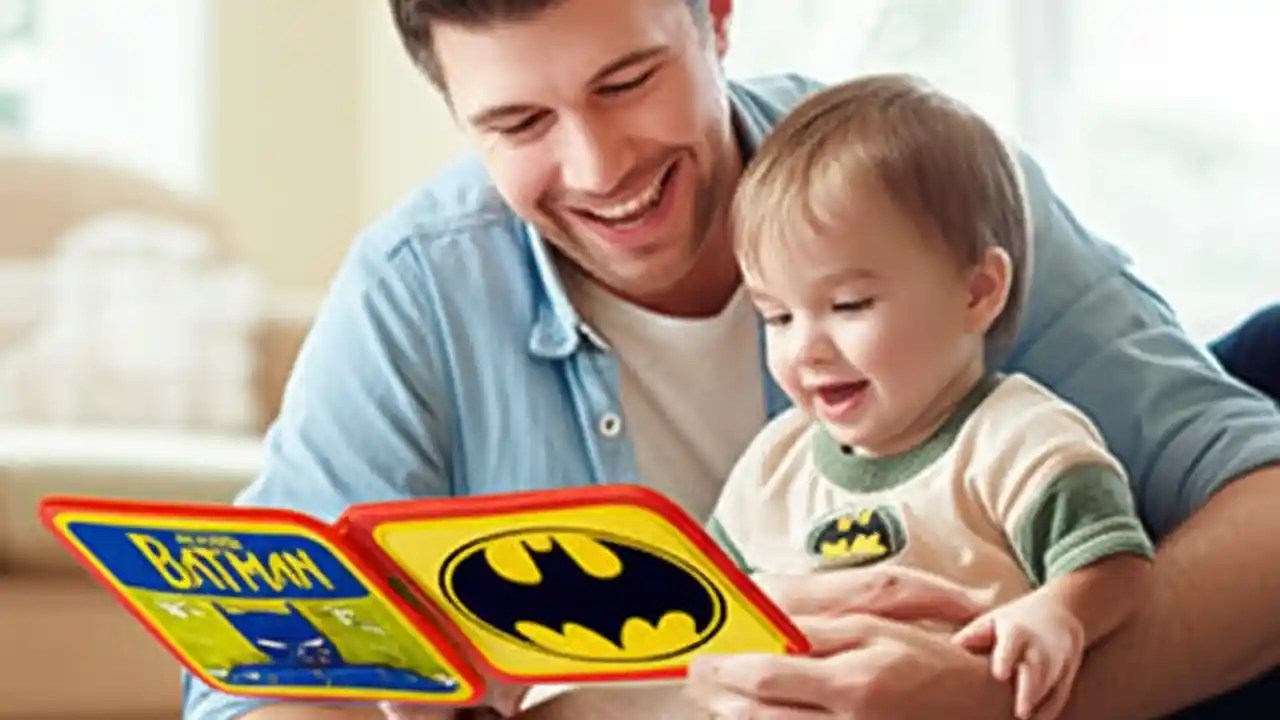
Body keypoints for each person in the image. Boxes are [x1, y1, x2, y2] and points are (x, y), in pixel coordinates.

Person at [179, 1, 1280, 718]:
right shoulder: (414, 291)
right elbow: (248, 687)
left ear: (714, 18)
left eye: (626, 83)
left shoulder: (913, 185)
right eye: (516, 123)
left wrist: (997, 704)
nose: (598, 165)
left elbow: (1256, 504)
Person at [703, 73, 1155, 720]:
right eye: (777, 317)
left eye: (849, 305)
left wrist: (1058, 614)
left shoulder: (1017, 439)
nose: (806, 348)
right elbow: (708, 600)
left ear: (976, 292)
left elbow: (1117, 561)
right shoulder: (775, 463)